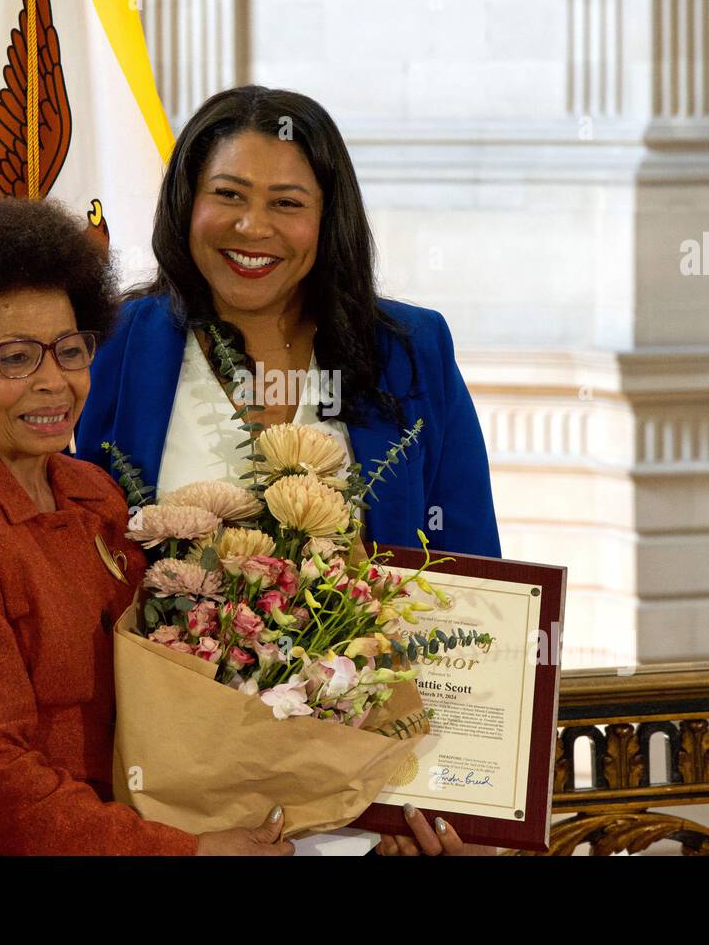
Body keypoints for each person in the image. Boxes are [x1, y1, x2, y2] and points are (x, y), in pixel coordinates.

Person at [74, 85, 501, 855]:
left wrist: (445, 804)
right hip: (174, 818)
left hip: (370, 814)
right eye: (228, 196)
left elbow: (469, 580)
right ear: (185, 205)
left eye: (286, 203)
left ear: (326, 219)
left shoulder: (410, 350)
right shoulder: (112, 346)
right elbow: (71, 561)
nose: (253, 228)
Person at [0, 195, 291, 855]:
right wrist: (189, 852)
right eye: (15, 357)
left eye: (68, 349)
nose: (54, 382)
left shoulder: (88, 491)